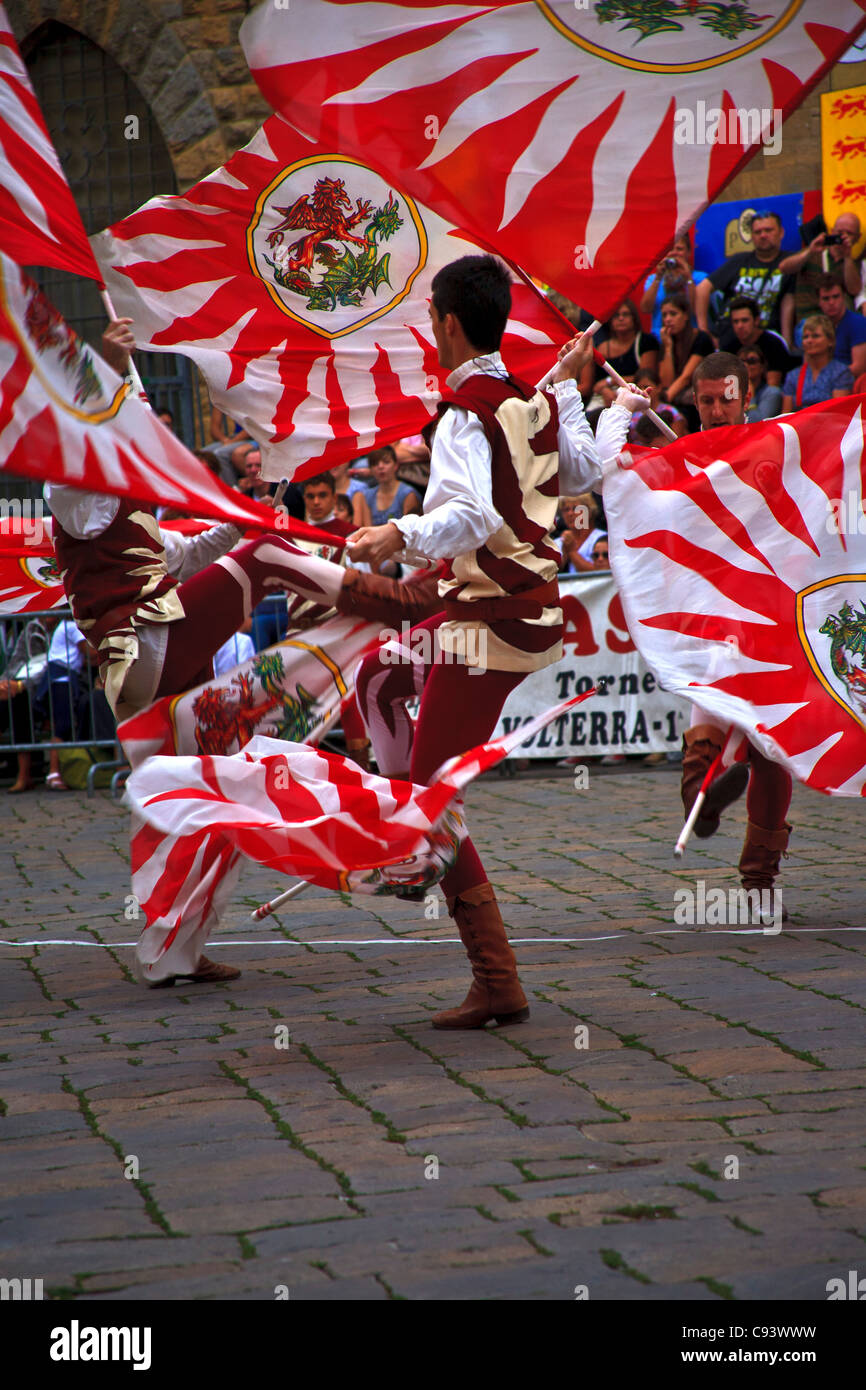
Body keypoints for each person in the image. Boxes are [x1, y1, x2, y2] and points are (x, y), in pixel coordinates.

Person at [347, 253, 607, 1030]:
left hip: (491, 626)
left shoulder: (469, 414)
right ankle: (413, 827)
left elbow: (467, 520)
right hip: (501, 613)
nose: (431, 329)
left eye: (431, 317)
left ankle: (495, 977)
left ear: (449, 325)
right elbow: (585, 471)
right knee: (383, 672)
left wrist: (396, 530)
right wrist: (586, 392)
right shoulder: (528, 401)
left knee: (433, 795)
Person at [681, 352, 793, 913]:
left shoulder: (776, 450)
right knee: (707, 726)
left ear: (746, 397)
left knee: (770, 748)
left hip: (770, 616)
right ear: (694, 401)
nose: (718, 409)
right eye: (707, 400)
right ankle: (702, 801)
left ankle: (759, 879)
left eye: (728, 398)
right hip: (709, 620)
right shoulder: (678, 458)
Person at [696, 211, 795, 344]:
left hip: (764, 339)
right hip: (728, 335)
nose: (763, 235)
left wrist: (787, 342)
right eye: (757, 232)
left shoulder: (790, 263)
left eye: (768, 230)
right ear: (752, 236)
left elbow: (788, 302)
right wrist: (704, 333)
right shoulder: (739, 260)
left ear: (781, 232)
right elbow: (702, 289)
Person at [777, 212, 864, 316]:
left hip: (837, 321)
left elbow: (854, 290)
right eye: (839, 232)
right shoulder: (814, 252)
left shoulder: (855, 264)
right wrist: (810, 252)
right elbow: (783, 268)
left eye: (849, 234)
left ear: (858, 237)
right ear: (832, 232)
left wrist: (847, 257)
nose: (843, 237)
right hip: (809, 320)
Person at [579, 298, 659, 406]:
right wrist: (604, 390)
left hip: (635, 396)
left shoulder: (646, 342)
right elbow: (593, 386)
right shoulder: (601, 348)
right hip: (602, 399)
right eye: (616, 315)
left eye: (625, 314)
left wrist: (610, 381)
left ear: (634, 318)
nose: (621, 318)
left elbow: (645, 379)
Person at [657, 293, 714, 423]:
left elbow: (686, 377)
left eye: (673, 314)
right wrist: (668, 349)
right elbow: (667, 382)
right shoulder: (666, 341)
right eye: (664, 315)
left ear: (686, 315)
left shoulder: (701, 338)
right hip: (675, 396)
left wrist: (665, 402)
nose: (668, 319)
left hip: (697, 396)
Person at [793, 276, 866, 378]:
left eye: (836, 297)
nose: (831, 302)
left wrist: (827, 379)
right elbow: (808, 364)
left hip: (848, 385)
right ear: (818, 301)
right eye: (826, 298)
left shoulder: (859, 323)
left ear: (843, 297)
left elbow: (859, 368)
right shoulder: (813, 325)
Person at [782, 315, 853, 412]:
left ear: (830, 341)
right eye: (805, 337)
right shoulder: (793, 376)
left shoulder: (841, 372)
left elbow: (839, 413)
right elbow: (786, 416)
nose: (809, 341)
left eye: (815, 336)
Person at [640, 235, 707, 335]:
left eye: (679, 249)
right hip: (660, 337)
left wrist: (688, 278)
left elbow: (695, 311)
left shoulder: (700, 278)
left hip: (690, 338)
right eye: (669, 249)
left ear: (688, 252)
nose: (674, 253)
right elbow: (645, 308)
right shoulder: (653, 279)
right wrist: (658, 277)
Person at [717, 295, 790, 385]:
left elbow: (773, 385)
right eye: (736, 321)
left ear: (756, 320)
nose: (740, 326)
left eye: (744, 320)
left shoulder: (773, 344)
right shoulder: (728, 346)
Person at [358, 446, 421, 528]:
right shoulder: (366, 496)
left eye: (386, 462)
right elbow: (368, 528)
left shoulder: (408, 494)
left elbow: (410, 529)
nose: (380, 467)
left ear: (396, 465)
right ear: (370, 469)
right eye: (375, 464)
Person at [556, 493, 606, 573]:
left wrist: (572, 552)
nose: (570, 514)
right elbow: (549, 575)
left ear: (589, 511)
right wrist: (564, 554)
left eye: (576, 508)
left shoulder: (603, 539)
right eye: (566, 510)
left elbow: (602, 572)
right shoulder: (557, 543)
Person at [301, 472, 353, 538]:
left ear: (334, 498)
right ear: (304, 499)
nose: (316, 502)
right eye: (311, 496)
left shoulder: (351, 533)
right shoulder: (296, 535)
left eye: (322, 495)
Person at [739, 345, 783, 422]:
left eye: (751, 361)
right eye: (741, 362)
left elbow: (759, 423)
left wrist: (750, 397)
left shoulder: (772, 392)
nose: (745, 365)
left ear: (762, 367)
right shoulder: (731, 392)